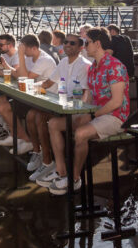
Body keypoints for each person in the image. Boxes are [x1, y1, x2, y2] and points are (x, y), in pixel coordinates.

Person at [42, 28, 130, 195]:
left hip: (116, 117)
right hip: (96, 113)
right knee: (53, 123)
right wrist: (80, 112)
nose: (84, 45)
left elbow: (117, 102)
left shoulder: (115, 66)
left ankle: (74, 178)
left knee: (81, 134)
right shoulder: (93, 68)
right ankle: (61, 171)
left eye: (86, 42)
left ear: (97, 44)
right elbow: (88, 97)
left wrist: (91, 115)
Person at [26, 34, 91, 182]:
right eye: (66, 42)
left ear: (80, 48)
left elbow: (83, 94)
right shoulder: (63, 62)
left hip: (76, 110)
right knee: (36, 116)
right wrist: (30, 87)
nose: (67, 45)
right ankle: (47, 161)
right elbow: (48, 83)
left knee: (42, 118)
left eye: (72, 43)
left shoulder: (84, 65)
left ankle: (52, 164)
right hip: (62, 106)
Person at [0, 34, 56, 153]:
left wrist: (20, 56)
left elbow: (25, 77)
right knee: (1, 102)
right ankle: (19, 137)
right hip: (33, 95)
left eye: (24, 49)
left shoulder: (45, 60)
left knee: (13, 109)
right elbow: (18, 74)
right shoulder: (29, 57)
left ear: (33, 48)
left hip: (47, 98)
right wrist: (5, 66)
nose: (22, 52)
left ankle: (27, 141)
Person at [0, 33, 20, 139]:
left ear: (10, 45)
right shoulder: (3, 55)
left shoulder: (18, 57)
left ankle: (8, 130)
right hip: (6, 88)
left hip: (17, 91)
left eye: (1, 45)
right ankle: (3, 126)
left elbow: (16, 77)